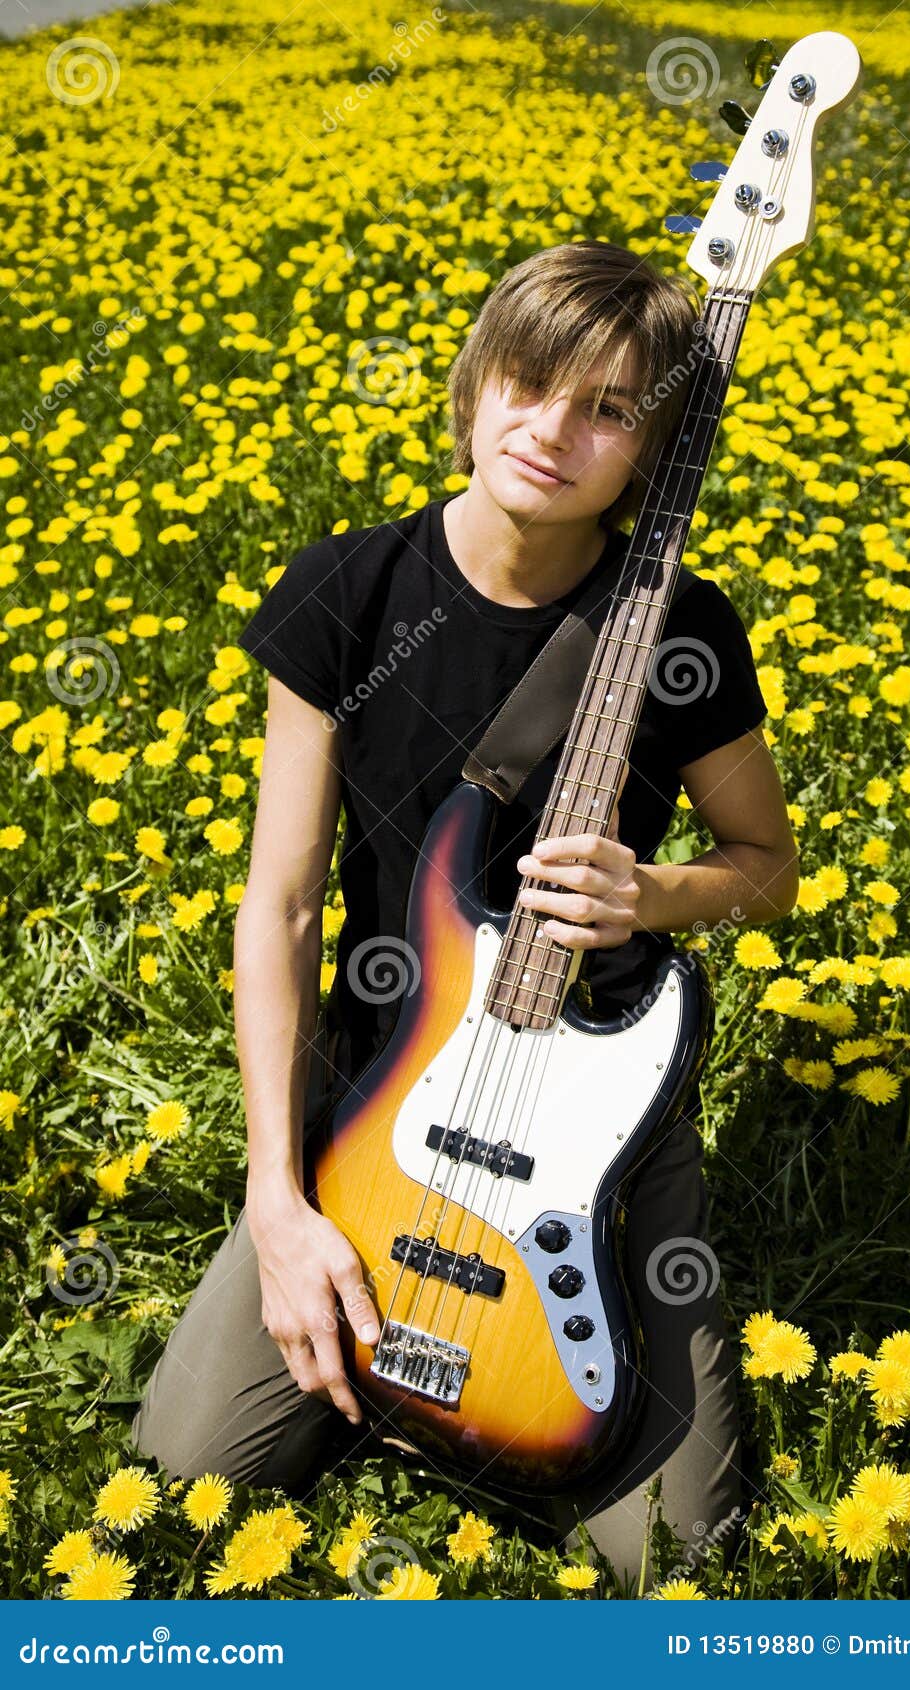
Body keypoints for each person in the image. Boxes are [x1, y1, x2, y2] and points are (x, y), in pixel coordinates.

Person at [130, 238, 799, 1592]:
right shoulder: (351, 589)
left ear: (656, 447)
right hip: (382, 1098)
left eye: (610, 411)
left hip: (593, 1111)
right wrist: (277, 1203)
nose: (553, 431)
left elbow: (764, 861)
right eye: (531, 381)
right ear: (475, 382)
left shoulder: (685, 627)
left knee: (670, 1548)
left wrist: (654, 891)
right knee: (177, 1482)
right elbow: (282, 899)